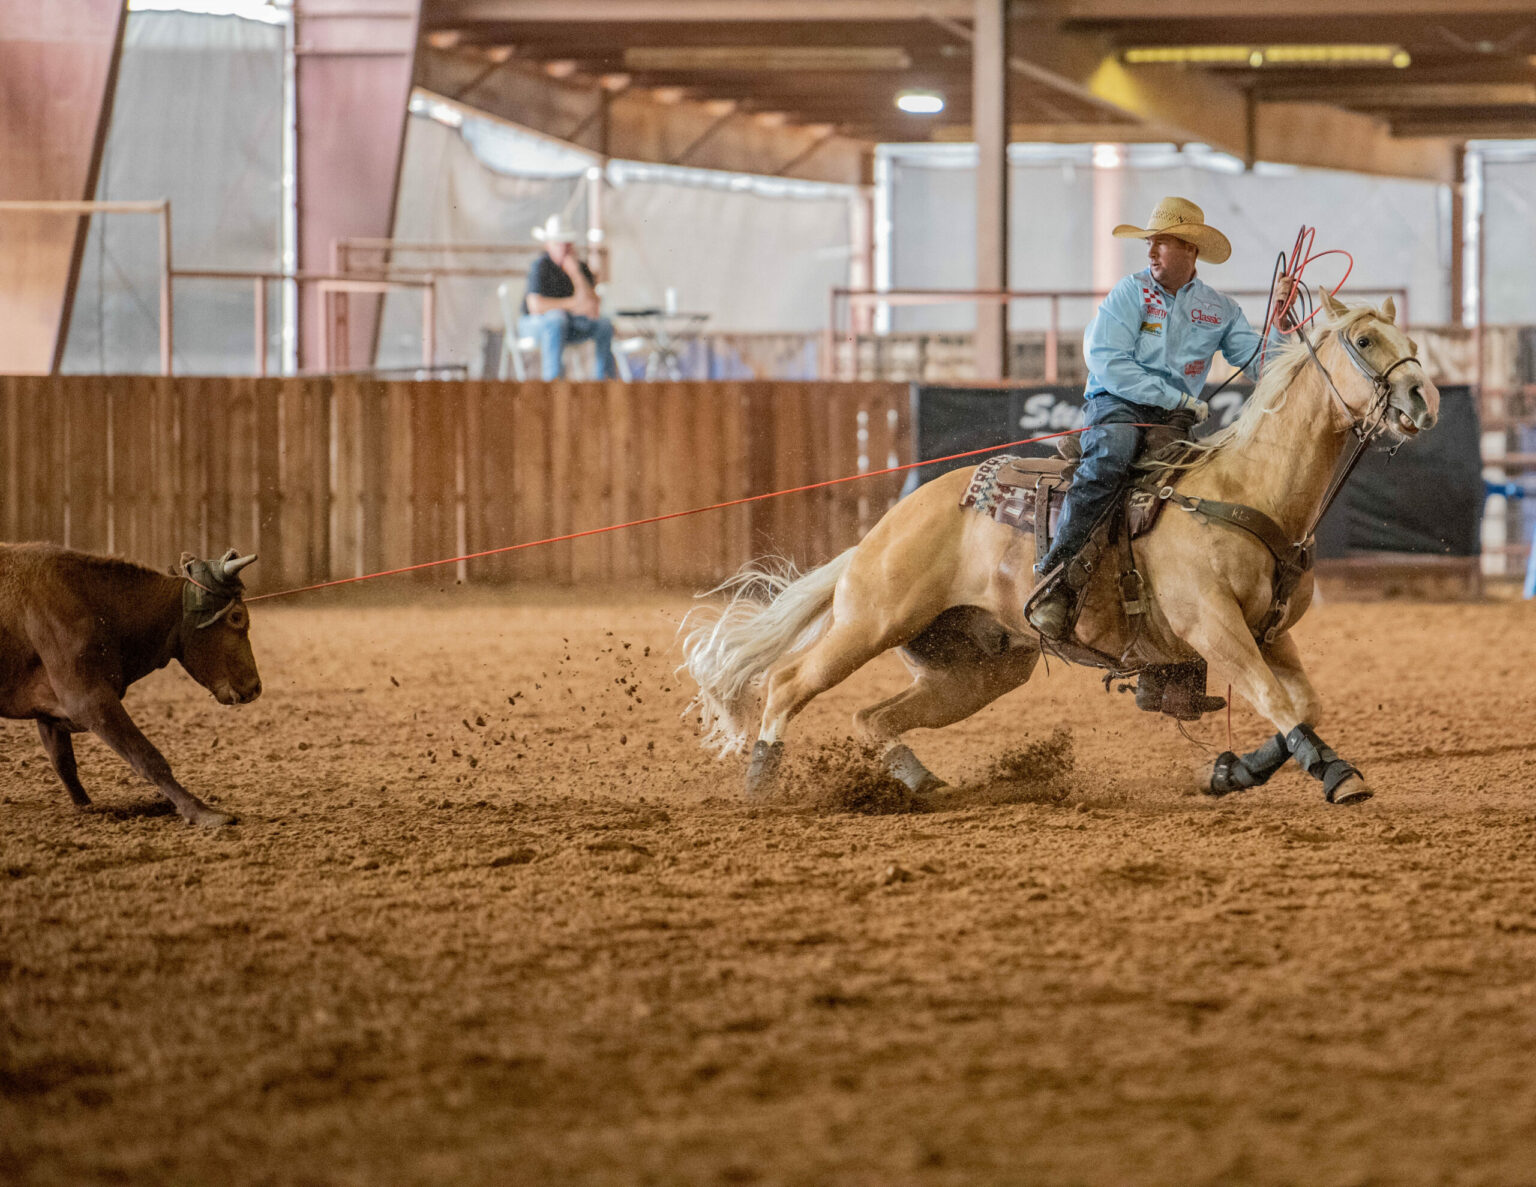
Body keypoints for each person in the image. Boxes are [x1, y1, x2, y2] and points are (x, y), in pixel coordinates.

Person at [1026, 196, 1295, 648]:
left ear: (1190, 249)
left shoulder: (1219, 309)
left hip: (1172, 421)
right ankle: (1058, 579)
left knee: (1197, 492)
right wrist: (1178, 398)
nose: (1151, 253)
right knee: (1109, 460)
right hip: (1117, 406)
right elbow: (1109, 363)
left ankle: (1163, 626)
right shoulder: (1130, 293)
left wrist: (1281, 325)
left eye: (1162, 244)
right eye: (1149, 244)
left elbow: (1261, 363)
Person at [518, 214, 619, 380]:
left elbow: (592, 307)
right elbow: (535, 307)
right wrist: (572, 304)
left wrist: (575, 274)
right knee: (556, 319)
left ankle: (604, 381)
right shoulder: (540, 266)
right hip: (536, 325)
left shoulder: (580, 267)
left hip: (568, 325)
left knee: (604, 325)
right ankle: (554, 381)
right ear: (548, 244)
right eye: (559, 243)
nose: (563, 248)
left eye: (566, 243)